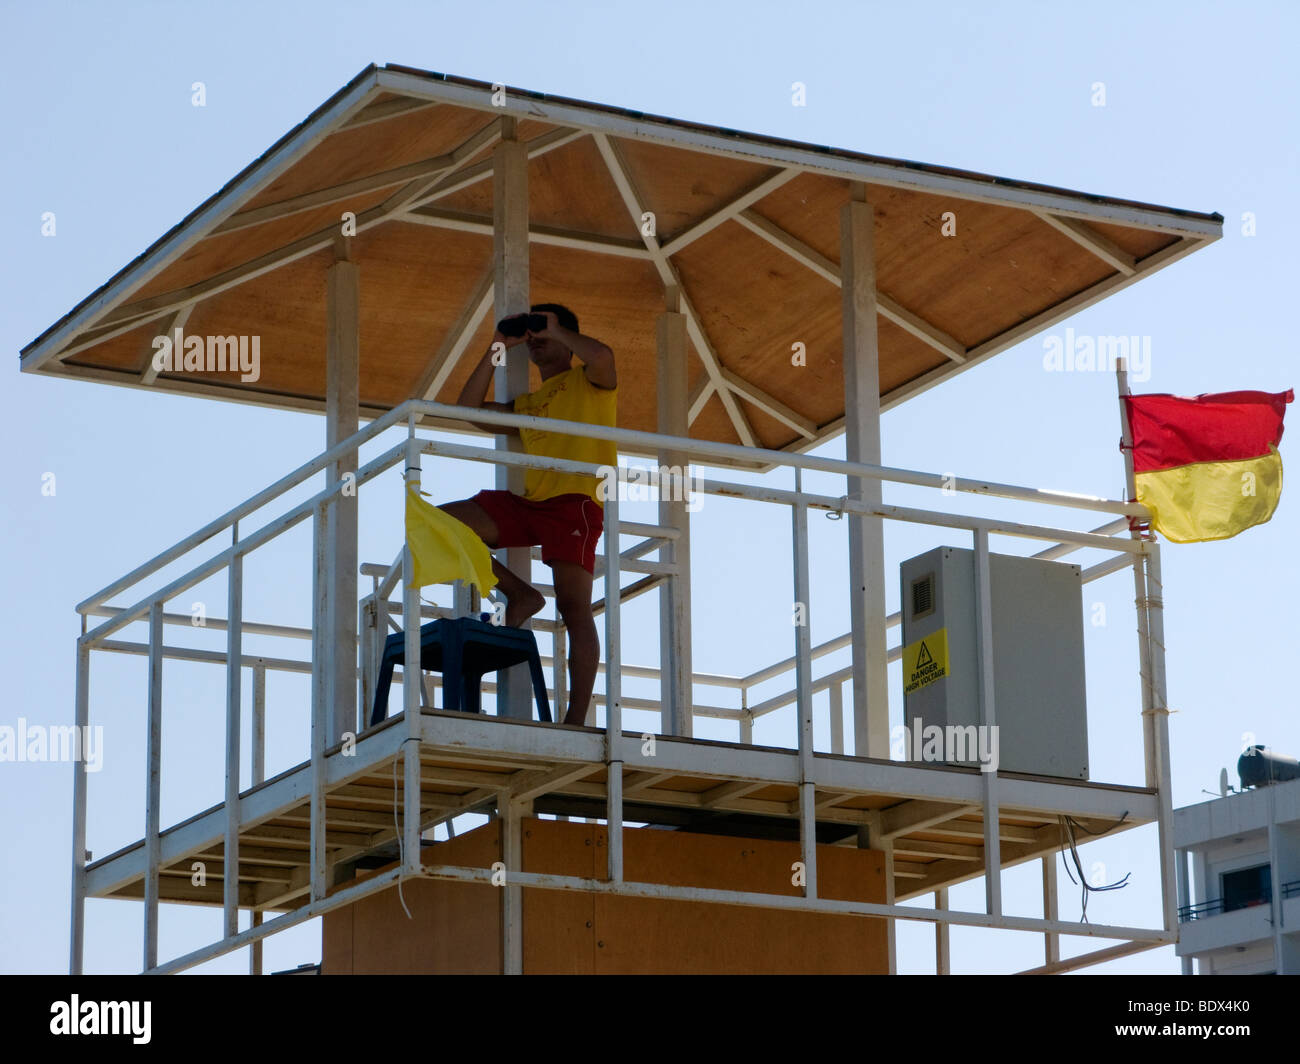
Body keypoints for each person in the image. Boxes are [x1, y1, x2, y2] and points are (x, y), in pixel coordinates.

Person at [440, 303, 616, 727]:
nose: (535, 339)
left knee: (575, 607)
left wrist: (556, 328)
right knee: (444, 521)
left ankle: (575, 720)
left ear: (567, 337)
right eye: (531, 333)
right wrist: (500, 343)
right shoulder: (530, 403)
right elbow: (468, 409)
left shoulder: (590, 381)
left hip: (575, 502)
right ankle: (521, 595)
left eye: (544, 331)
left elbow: (604, 357)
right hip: (531, 504)